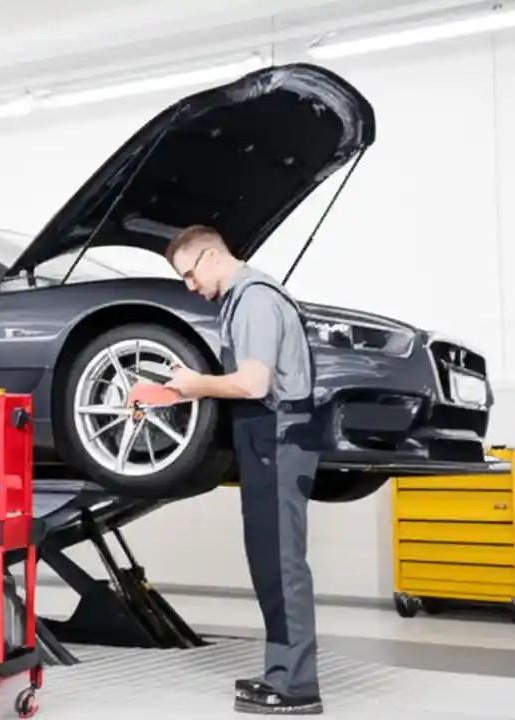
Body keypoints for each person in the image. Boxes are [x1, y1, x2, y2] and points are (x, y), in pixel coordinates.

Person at [162, 225, 324, 715]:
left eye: (189, 274)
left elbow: (254, 384)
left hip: (278, 438)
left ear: (211, 256)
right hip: (268, 441)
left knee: (280, 564)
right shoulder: (242, 300)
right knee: (269, 561)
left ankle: (297, 687)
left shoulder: (253, 299)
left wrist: (197, 385)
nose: (190, 286)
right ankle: (282, 673)